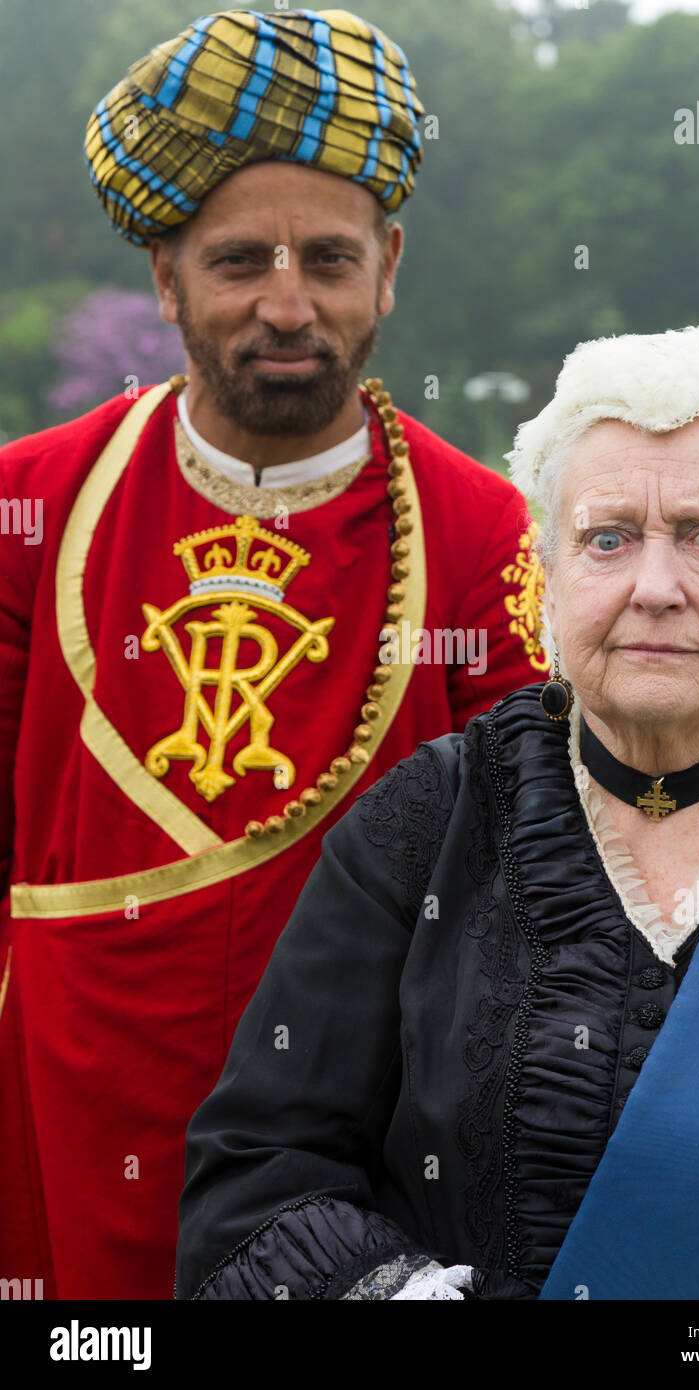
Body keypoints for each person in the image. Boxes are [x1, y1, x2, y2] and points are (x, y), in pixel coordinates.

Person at [0, 8, 547, 1301]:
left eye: (329, 259)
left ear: (390, 265)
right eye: (240, 260)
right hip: (73, 1121)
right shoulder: (29, 508)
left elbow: (522, 892)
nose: (286, 304)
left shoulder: (486, 533)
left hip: (364, 1138)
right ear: (166, 277)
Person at [176, 326, 699, 1301]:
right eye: (607, 538)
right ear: (546, 570)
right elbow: (256, 1173)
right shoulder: (418, 830)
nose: (654, 588)